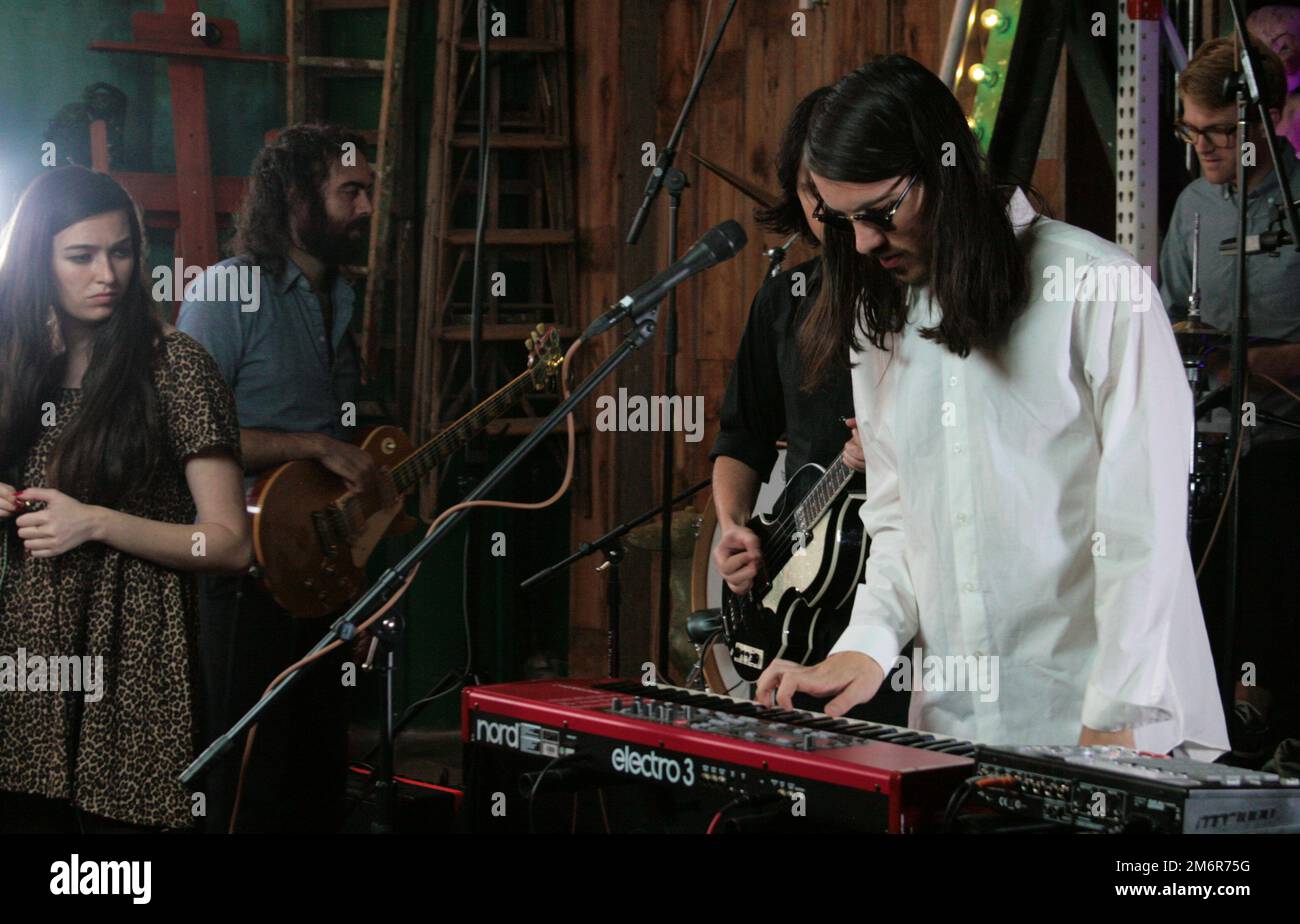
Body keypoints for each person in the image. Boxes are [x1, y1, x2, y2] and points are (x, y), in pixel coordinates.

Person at [756, 56, 1228, 760]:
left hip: (1112, 726)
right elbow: (895, 518)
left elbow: (1143, 524)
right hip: (957, 730)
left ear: (942, 172)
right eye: (843, 220)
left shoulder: (1099, 290)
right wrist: (866, 646)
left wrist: (1117, 713)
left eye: (881, 214)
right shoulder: (879, 320)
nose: (861, 243)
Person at [0, 166, 249, 832]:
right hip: (23, 672)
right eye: (81, 256)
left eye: (121, 251)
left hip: (134, 667)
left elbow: (229, 542)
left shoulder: (176, 366)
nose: (107, 273)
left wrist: (98, 523)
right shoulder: (17, 363)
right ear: (37, 262)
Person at [177, 123, 379, 832]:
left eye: (369, 193)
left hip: (321, 570)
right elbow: (185, 427)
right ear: (294, 195)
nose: (365, 210)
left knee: (318, 770)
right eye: (349, 191)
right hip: (243, 577)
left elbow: (347, 455)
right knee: (248, 778)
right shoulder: (227, 292)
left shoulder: (344, 300)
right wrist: (310, 445)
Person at [710, 85, 908, 724]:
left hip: (901, 583)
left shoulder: (916, 290)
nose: (828, 211)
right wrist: (737, 529)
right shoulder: (784, 298)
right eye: (810, 193)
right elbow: (741, 436)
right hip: (803, 582)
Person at [1159, 37, 1300, 761]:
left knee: (1268, 514)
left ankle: (1260, 712)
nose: (1204, 148)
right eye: (1191, 131)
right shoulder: (1190, 210)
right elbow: (1167, 321)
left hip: (1284, 440)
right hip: (1205, 439)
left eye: (1220, 133)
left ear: (1271, 118)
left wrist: (1250, 365)